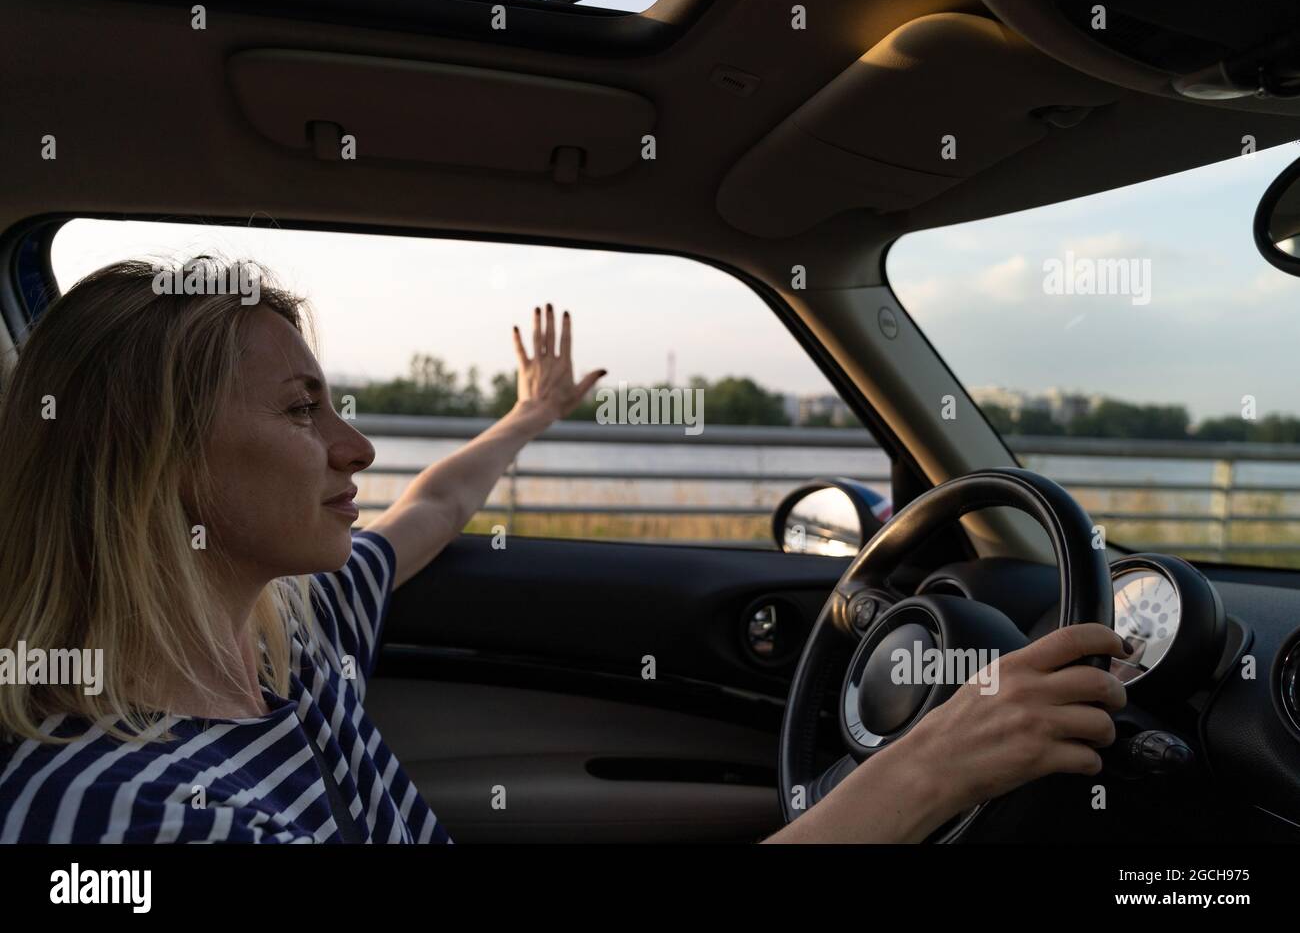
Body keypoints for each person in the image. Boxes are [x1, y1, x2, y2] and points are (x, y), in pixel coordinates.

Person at [0, 256, 1126, 843]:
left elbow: (431, 511)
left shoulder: (293, 634)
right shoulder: (116, 816)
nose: (357, 443)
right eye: (301, 411)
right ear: (156, 460)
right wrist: (929, 766)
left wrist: (531, 414)